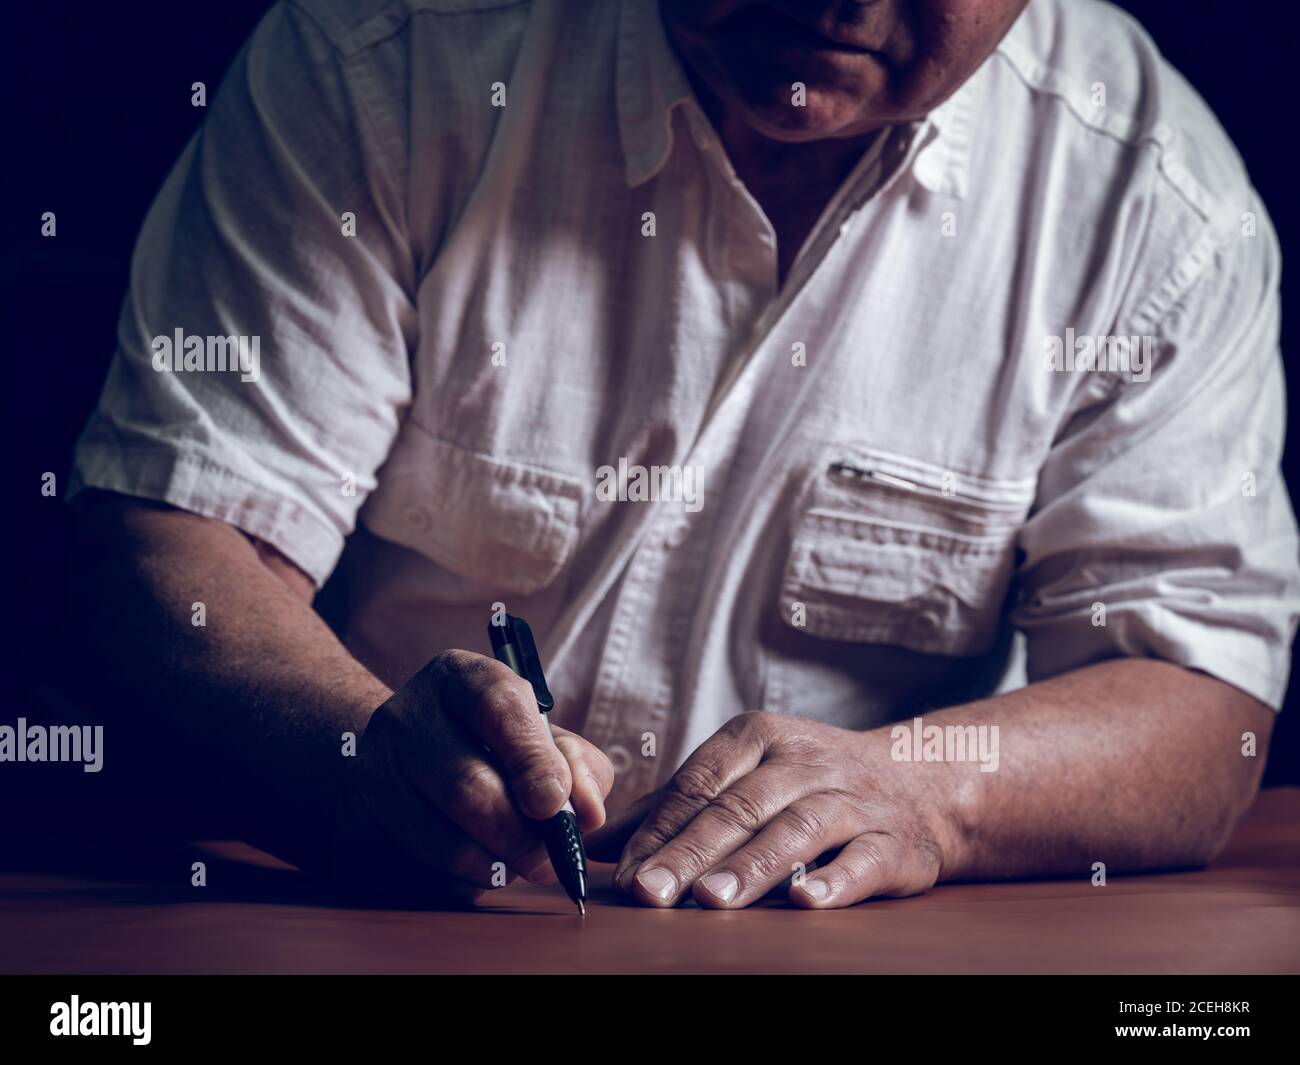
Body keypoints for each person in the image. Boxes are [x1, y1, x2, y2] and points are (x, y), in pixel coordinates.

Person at [69, 0, 1298, 909]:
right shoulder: (382, 55)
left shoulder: (1149, 201)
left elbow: (1197, 705)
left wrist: (922, 790)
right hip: (400, 927)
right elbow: (177, 538)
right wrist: (354, 759)